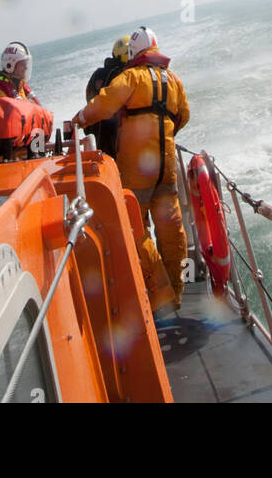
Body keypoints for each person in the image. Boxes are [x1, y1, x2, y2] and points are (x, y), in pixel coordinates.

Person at [72, 27, 190, 308]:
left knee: (137, 228)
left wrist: (79, 119)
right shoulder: (173, 80)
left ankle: (159, 292)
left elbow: (103, 105)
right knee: (173, 231)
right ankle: (177, 292)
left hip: (137, 170)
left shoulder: (131, 77)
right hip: (167, 168)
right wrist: (165, 136)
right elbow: (183, 115)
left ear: (134, 53)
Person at [84, 35, 131, 157]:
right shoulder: (124, 77)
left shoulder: (96, 75)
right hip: (116, 146)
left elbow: (89, 101)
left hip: (95, 144)